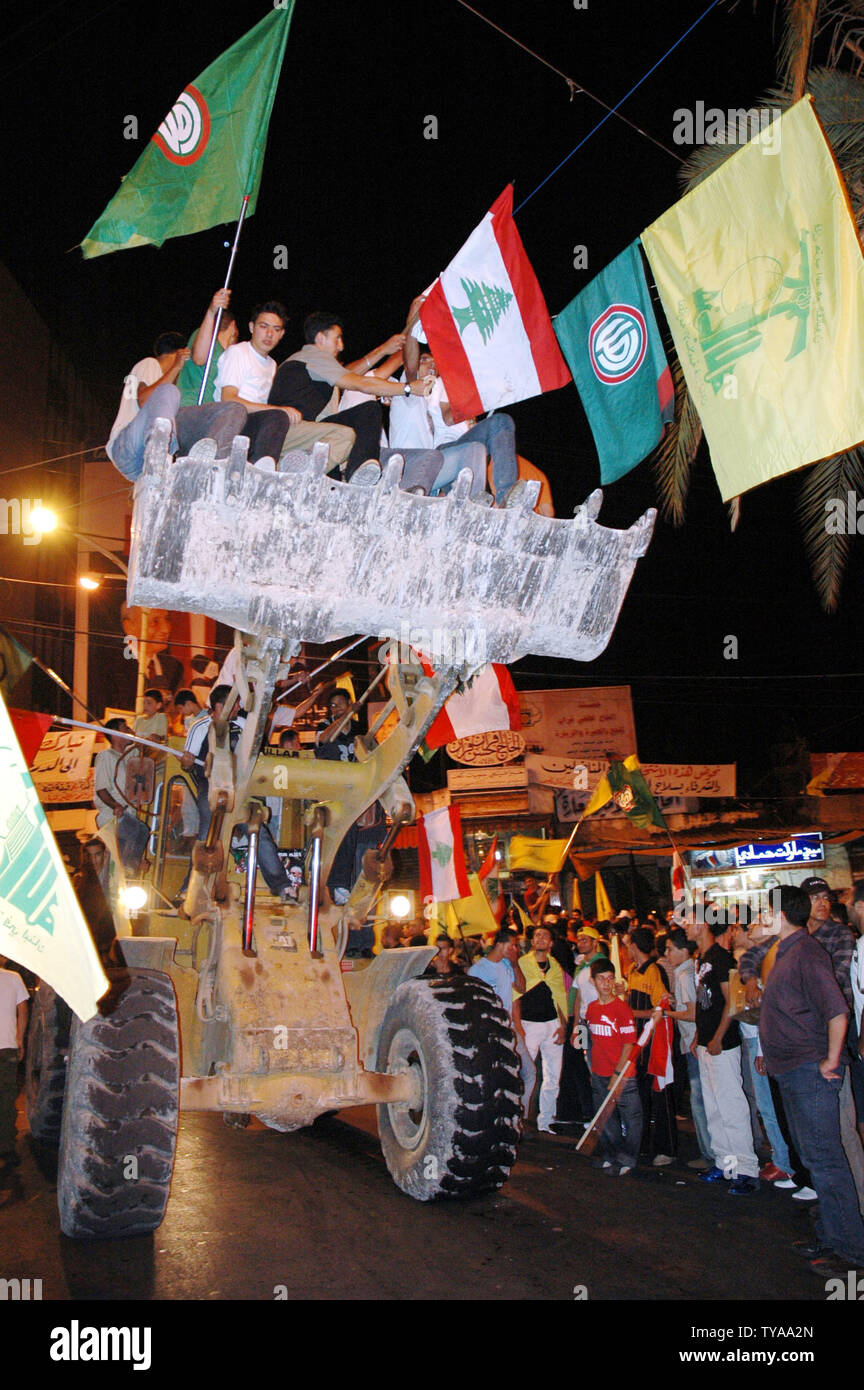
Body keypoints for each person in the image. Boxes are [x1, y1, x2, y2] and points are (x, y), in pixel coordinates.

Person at [760, 885, 864, 1277]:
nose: (759, 918)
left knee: (826, 1159)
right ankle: (832, 1233)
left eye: (764, 912)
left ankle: (852, 1249)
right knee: (814, 1158)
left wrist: (831, 1060)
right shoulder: (787, 950)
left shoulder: (806, 952)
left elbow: (837, 1010)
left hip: (809, 1071)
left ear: (782, 914)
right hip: (791, 1070)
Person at [268, 311, 435, 479]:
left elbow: (351, 374)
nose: (341, 346)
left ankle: (309, 465)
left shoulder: (312, 365)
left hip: (309, 434)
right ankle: (359, 470)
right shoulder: (313, 356)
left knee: (333, 467)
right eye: (337, 338)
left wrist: (384, 350)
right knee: (358, 422)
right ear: (320, 338)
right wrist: (408, 389)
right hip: (290, 432)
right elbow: (362, 383)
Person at [106, 312, 248, 480]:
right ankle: (165, 449)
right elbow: (144, 400)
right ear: (178, 353)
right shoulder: (150, 364)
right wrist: (176, 366)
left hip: (138, 462)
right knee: (168, 391)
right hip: (128, 445)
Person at [403, 298, 520, 503]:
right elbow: (448, 418)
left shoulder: (457, 388)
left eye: (433, 360)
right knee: (500, 422)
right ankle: (505, 494)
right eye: (425, 359)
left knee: (484, 442)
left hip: (461, 456)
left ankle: (486, 501)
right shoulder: (444, 384)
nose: (431, 363)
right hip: (446, 450)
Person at [693, 918, 760, 1195]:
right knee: (714, 1108)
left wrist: (719, 1036)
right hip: (706, 1044)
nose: (685, 926)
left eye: (690, 921)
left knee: (731, 1106)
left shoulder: (723, 959)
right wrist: (701, 1036)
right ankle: (725, 1163)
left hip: (723, 1044)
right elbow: (703, 1001)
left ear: (703, 926)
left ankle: (746, 1169)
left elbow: (732, 1002)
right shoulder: (703, 959)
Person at [314, 688, 384, 904]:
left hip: (359, 792)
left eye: (340, 704)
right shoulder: (325, 726)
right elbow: (324, 739)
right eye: (332, 705)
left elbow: (375, 756)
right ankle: (339, 884)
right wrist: (345, 715)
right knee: (345, 831)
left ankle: (359, 893)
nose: (336, 708)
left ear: (350, 703)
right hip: (334, 792)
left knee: (365, 842)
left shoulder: (360, 730)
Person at [213, 301, 300, 464]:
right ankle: (260, 471)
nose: (269, 334)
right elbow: (229, 399)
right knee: (277, 416)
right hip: (233, 422)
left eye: (276, 329)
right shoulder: (238, 353)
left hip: (259, 424)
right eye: (263, 326)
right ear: (252, 327)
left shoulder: (272, 365)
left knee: (297, 425)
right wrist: (277, 410)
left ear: (282, 334)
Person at [585, 958, 643, 1176]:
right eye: (601, 979)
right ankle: (612, 1155)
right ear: (593, 981)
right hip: (599, 1072)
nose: (607, 984)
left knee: (631, 1117)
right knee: (605, 1118)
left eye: (610, 979)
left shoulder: (622, 1009)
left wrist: (618, 1073)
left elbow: (629, 1044)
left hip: (623, 1075)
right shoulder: (591, 1010)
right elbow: (591, 1041)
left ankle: (628, 1158)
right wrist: (592, 1069)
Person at [663, 929, 714, 1170]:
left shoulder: (684, 974)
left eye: (670, 948)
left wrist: (667, 1013)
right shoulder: (688, 971)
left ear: (684, 951)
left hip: (693, 1043)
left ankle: (710, 1153)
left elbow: (693, 1013)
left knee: (700, 1101)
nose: (666, 953)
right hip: (695, 1041)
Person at [627, 926, 676, 1165]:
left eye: (628, 944)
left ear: (635, 946)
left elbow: (661, 1010)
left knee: (659, 1095)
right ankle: (643, 1143)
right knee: (640, 1096)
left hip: (653, 1044)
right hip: (637, 1043)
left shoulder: (654, 971)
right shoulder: (632, 971)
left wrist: (633, 1012)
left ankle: (665, 1148)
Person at [513, 925, 568, 1133]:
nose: (541, 938)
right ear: (532, 941)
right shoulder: (521, 964)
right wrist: (520, 1029)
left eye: (545, 935)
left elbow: (560, 998)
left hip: (552, 1025)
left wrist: (563, 1027)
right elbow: (515, 998)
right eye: (537, 935)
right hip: (529, 1026)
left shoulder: (555, 967)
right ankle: (520, 1119)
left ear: (551, 943)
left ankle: (546, 1121)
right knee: (524, 1073)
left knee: (553, 1075)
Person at [93, 719, 149, 873]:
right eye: (125, 728)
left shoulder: (130, 755)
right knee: (141, 830)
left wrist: (136, 737)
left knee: (116, 860)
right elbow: (101, 789)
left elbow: (146, 750)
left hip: (128, 815)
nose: (129, 730)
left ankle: (126, 869)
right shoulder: (105, 756)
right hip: (114, 815)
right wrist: (115, 805)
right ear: (116, 735)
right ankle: (130, 866)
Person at [177, 287, 239, 407]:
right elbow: (199, 359)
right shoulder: (206, 336)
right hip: (191, 404)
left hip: (211, 411)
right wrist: (211, 312)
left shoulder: (227, 355)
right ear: (233, 325)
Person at [0, 956, 28, 1177]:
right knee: (6, 1099)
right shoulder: (13, 977)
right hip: (7, 1047)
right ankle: (7, 1148)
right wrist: (19, 1039)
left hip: (7, 1047)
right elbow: (23, 1011)